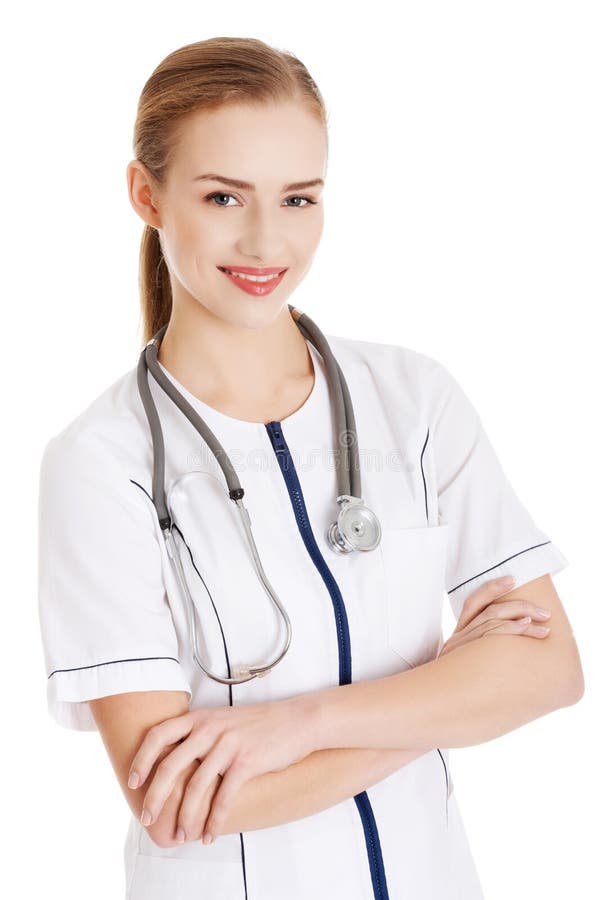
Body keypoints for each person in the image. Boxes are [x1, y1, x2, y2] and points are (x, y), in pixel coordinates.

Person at [36, 37, 583, 900]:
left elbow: (549, 672)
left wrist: (300, 725)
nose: (266, 239)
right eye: (222, 196)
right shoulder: (102, 464)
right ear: (146, 195)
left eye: (297, 198)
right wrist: (447, 694)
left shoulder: (414, 400)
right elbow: (179, 801)